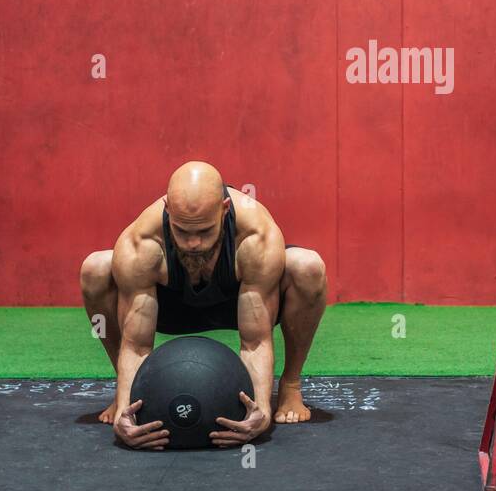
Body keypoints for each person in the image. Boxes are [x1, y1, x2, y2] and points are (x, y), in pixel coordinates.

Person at [79, 161, 326, 449]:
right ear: (168, 210)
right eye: (182, 232)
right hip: (169, 307)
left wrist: (260, 412)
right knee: (95, 268)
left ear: (224, 209)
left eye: (206, 231)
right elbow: (136, 346)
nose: (193, 243)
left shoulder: (256, 234)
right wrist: (126, 413)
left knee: (307, 267)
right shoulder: (141, 240)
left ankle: (291, 386)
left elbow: (255, 342)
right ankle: (129, 393)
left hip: (236, 303)